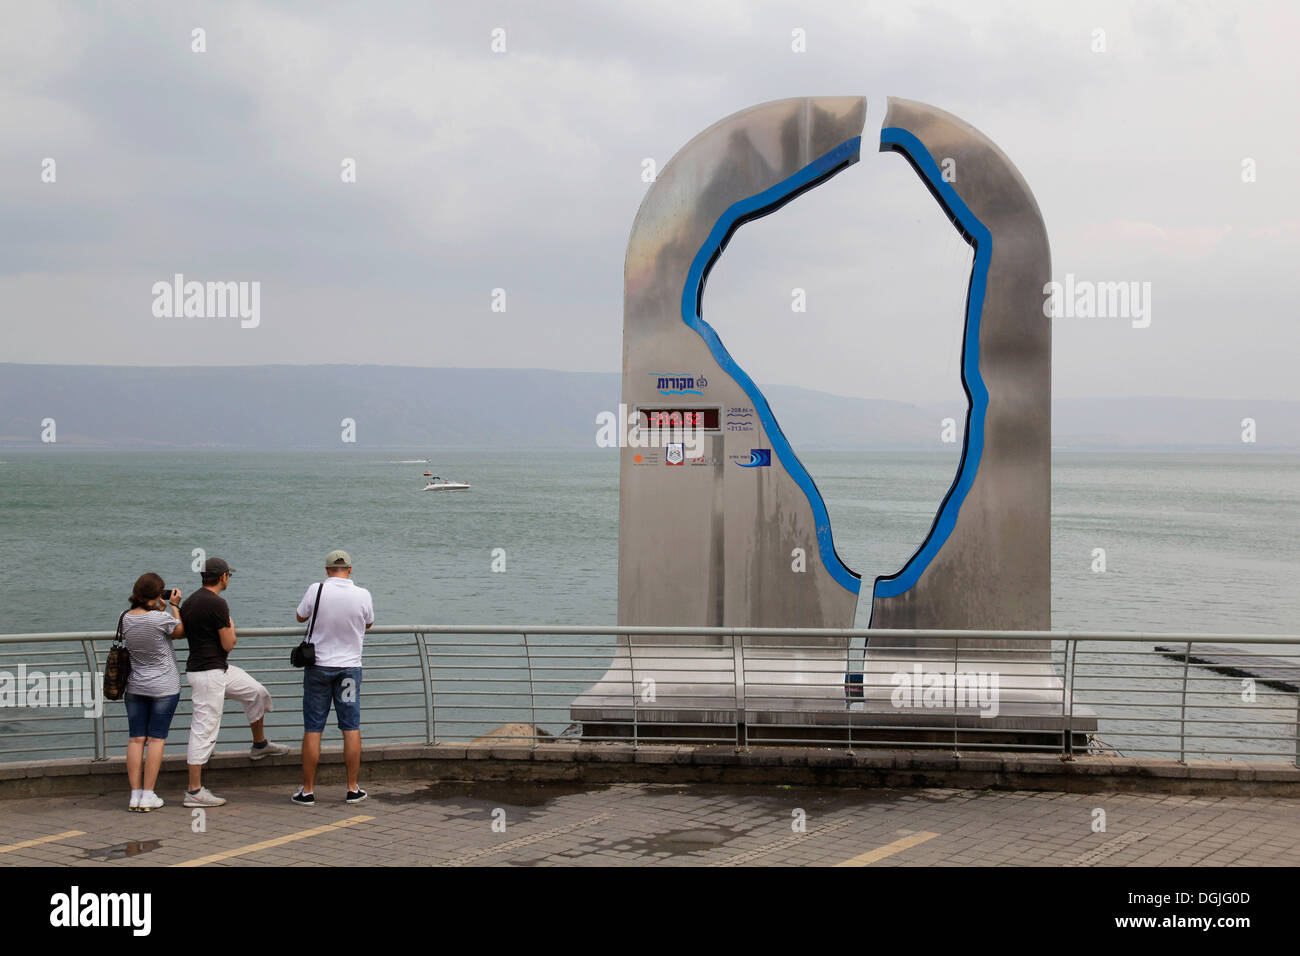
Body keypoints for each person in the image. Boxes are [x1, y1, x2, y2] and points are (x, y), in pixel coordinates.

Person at [180, 556, 289, 807]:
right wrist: (231, 625)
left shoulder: (191, 601)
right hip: (209, 673)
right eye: (229, 575)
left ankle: (259, 745)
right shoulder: (218, 604)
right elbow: (229, 643)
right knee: (204, 727)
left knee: (256, 692)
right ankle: (194, 791)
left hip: (216, 669)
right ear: (223, 577)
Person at [291, 549, 374, 806]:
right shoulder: (363, 594)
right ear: (350, 569)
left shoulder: (316, 589)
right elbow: (368, 623)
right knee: (350, 727)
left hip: (318, 669)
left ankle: (307, 791)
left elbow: (300, 616)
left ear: (327, 570)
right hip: (349, 670)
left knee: (313, 727)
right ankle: (352, 788)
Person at [120, 573, 185, 812]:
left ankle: (134, 795)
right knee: (156, 739)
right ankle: (148, 794)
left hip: (135, 686)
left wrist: (158, 606)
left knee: (136, 739)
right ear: (158, 595)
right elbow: (180, 632)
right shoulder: (161, 618)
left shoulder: (124, 617)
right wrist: (174, 607)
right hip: (164, 687)